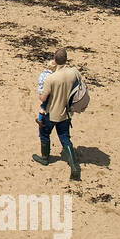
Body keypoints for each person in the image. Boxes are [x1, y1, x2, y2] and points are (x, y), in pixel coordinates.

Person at [34, 47, 84, 180]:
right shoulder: (74, 73)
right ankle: (74, 167)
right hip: (66, 112)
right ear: (66, 59)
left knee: (44, 134)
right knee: (65, 138)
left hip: (52, 112)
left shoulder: (51, 78)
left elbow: (43, 98)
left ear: (55, 60)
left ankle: (45, 158)